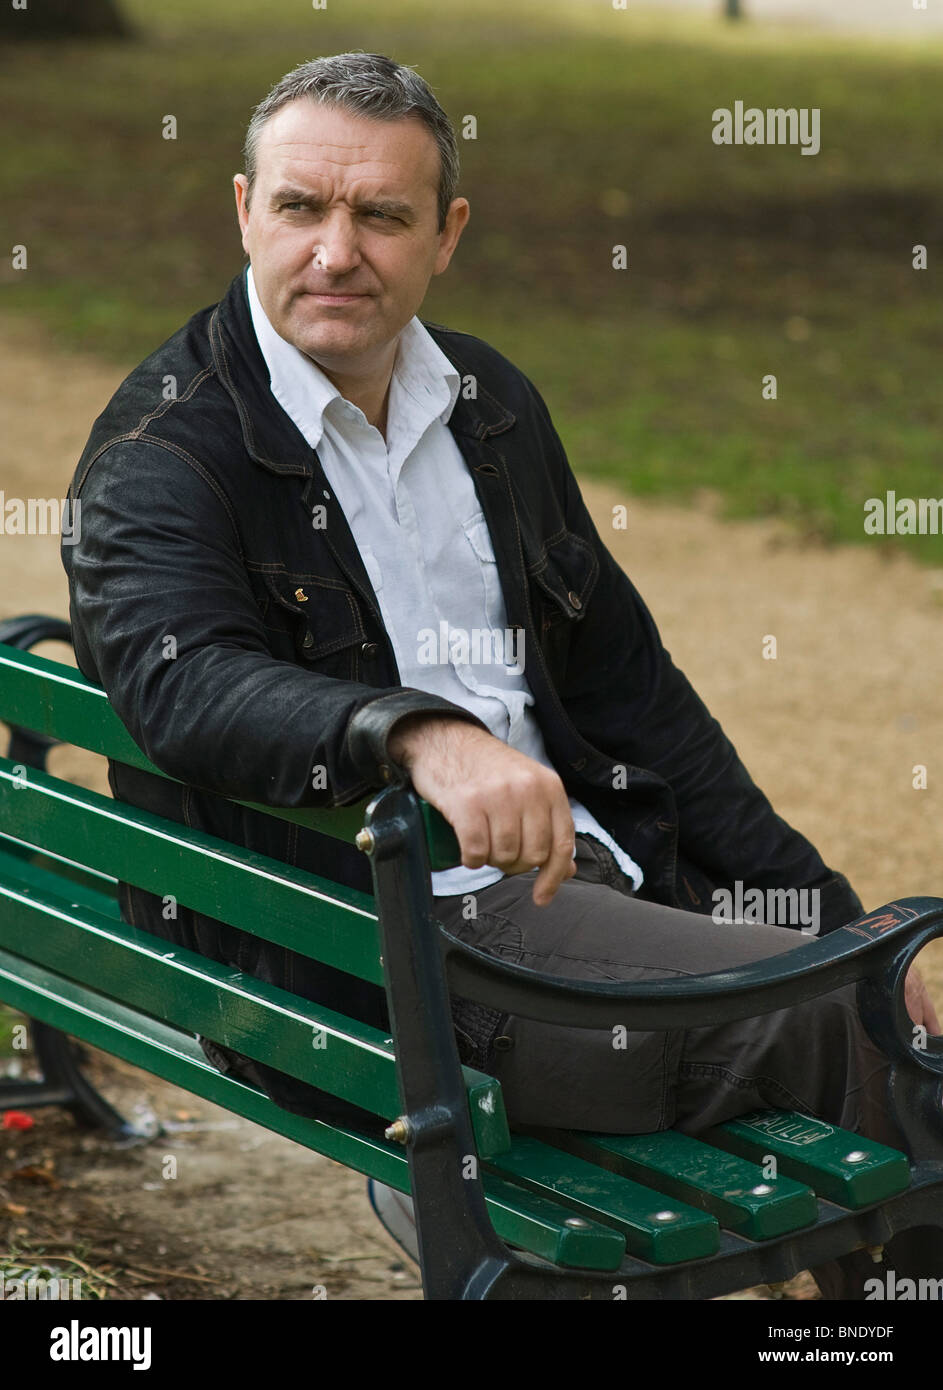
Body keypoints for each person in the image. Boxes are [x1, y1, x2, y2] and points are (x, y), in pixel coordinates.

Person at [62, 52, 940, 1298]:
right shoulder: (164, 451)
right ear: (243, 210)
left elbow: (640, 701)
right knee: (863, 1027)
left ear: (446, 234)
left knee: (891, 950)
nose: (336, 252)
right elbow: (182, 681)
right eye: (302, 208)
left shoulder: (489, 406)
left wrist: (829, 914)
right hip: (389, 957)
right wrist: (416, 734)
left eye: (381, 215)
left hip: (565, 903)